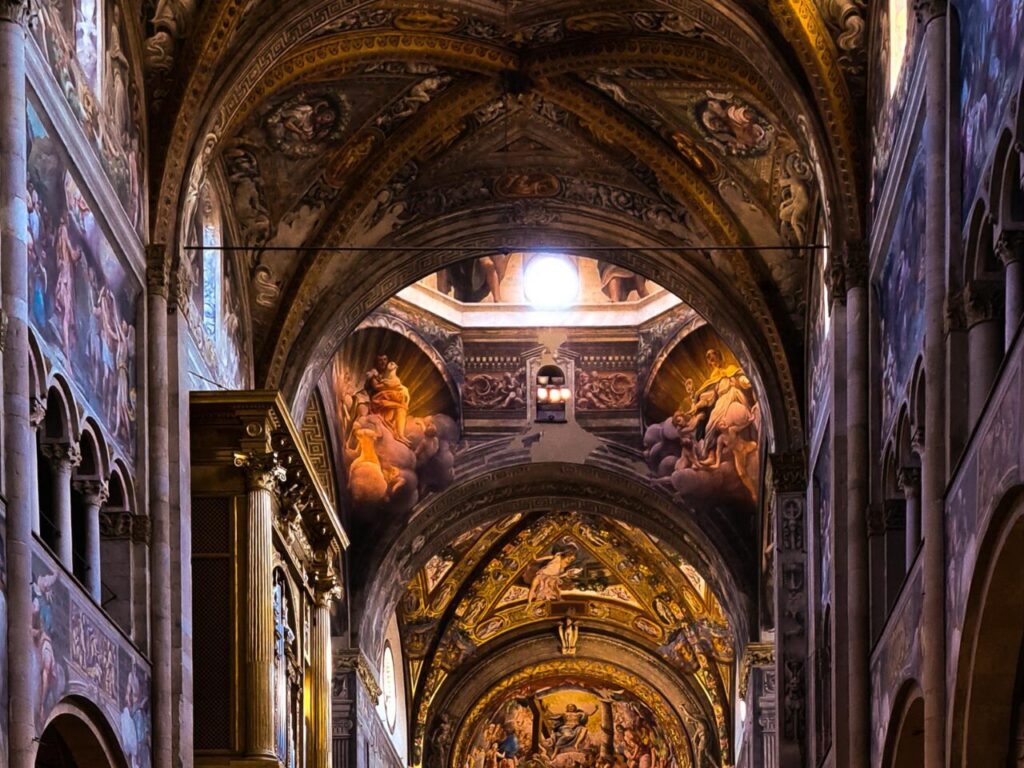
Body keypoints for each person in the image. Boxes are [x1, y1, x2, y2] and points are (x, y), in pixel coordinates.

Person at [365, 354, 411, 441]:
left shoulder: (388, 373)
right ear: (376, 362)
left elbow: (397, 384)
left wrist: (396, 385)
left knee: (402, 408)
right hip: (377, 400)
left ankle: (400, 435)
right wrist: (390, 384)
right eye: (380, 360)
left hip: (387, 398)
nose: (383, 362)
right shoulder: (374, 373)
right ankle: (397, 434)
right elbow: (377, 387)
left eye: (385, 360)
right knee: (398, 406)